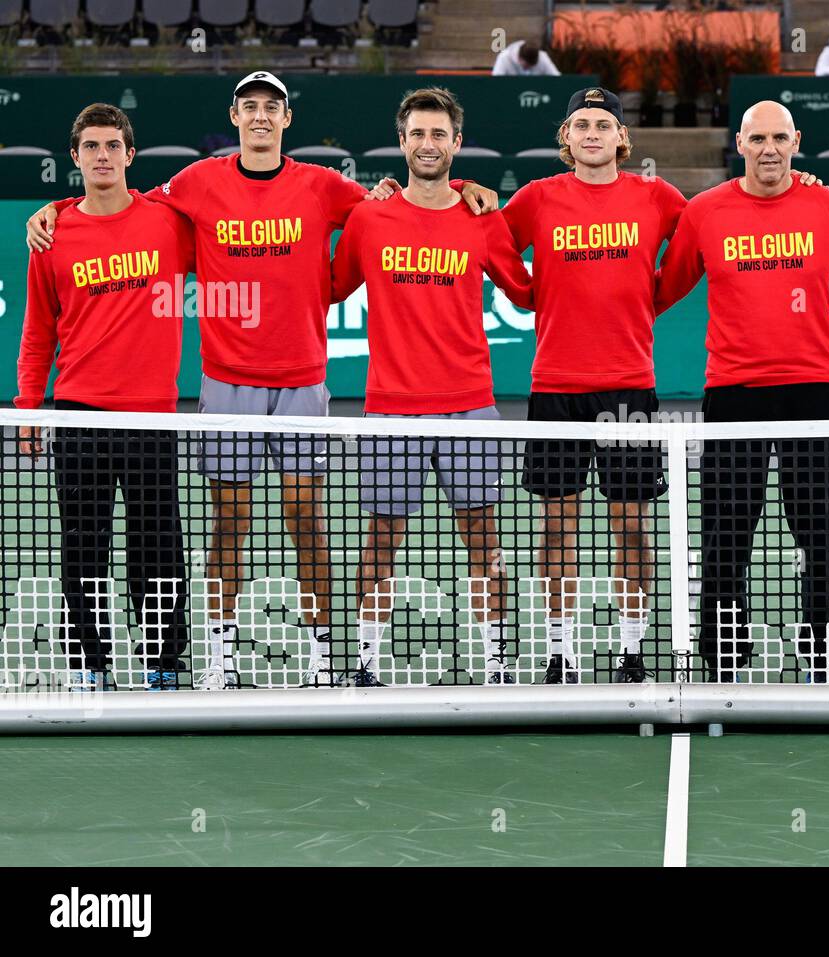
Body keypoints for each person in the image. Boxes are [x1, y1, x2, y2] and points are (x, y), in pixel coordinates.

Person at [25, 70, 500, 691]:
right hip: (225, 383)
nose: (259, 117)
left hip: (303, 382)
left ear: (286, 120)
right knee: (228, 524)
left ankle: (327, 658)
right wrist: (57, 206)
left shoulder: (325, 186)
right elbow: (124, 203)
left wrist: (462, 185)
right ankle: (217, 663)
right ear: (234, 116)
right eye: (249, 107)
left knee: (306, 521)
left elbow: (409, 199)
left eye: (270, 108)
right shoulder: (196, 182)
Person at [654, 100, 829, 683]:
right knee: (726, 532)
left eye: (780, 138)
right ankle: (725, 652)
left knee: (820, 529)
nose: (769, 149)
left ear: (796, 141)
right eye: (758, 139)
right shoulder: (704, 211)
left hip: (816, 393)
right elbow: (664, 287)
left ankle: (824, 652)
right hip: (733, 394)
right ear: (740, 144)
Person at [330, 88, 534, 687]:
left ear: (456, 144)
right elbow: (330, 289)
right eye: (417, 134)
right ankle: (366, 662)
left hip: (470, 405)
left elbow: (526, 292)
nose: (427, 144)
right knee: (381, 538)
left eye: (438, 134)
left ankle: (497, 660)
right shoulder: (369, 218)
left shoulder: (481, 217)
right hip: (391, 408)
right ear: (401, 142)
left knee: (483, 536)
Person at [501, 88, 685, 684]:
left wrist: (653, 298)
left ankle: (631, 650)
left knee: (630, 525)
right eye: (580, 124)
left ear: (621, 138)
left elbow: (703, 240)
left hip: (628, 388)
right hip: (556, 387)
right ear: (567, 139)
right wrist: (527, 295)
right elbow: (488, 245)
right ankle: (563, 652)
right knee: (558, 529)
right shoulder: (536, 198)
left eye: (603, 124)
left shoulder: (656, 196)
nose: (592, 133)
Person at [16, 104, 194, 692]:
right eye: (91, 146)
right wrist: (27, 407)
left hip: (151, 414)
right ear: (75, 157)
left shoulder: (169, 223)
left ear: (129, 155)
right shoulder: (52, 235)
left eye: (113, 145)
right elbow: (38, 331)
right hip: (78, 413)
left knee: (158, 547)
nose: (102, 155)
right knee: (83, 548)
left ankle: (162, 663)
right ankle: (88, 665)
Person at [492, 39, 560, 77]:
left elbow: (556, 78)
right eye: (526, 66)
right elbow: (495, 82)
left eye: (532, 66)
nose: (528, 69)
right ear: (519, 58)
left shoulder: (543, 57)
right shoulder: (504, 58)